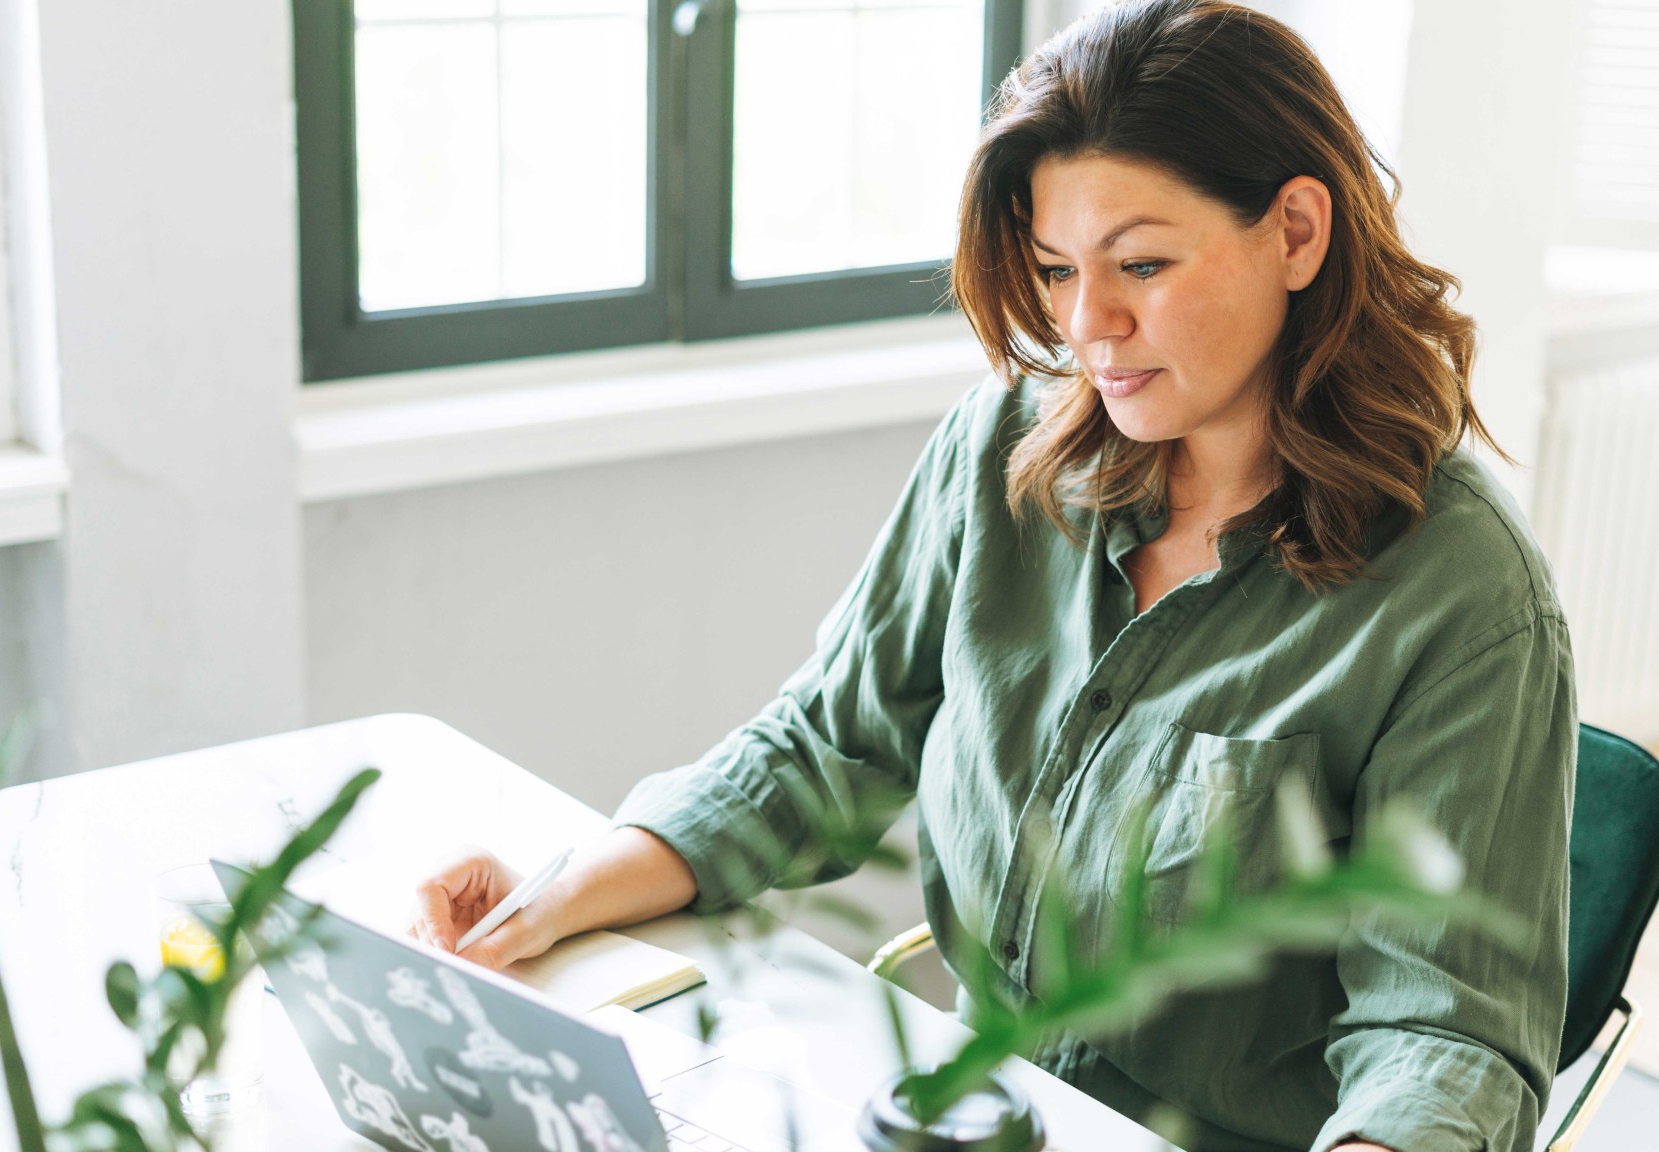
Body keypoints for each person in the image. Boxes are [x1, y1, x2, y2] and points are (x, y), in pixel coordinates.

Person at [411, 3, 1575, 1150]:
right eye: (1059, 269)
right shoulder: (1004, 453)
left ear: (1298, 233)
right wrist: (563, 892)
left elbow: (1447, 1039)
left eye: (1144, 264)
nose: (1090, 324)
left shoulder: (1461, 594)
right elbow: (826, 743)